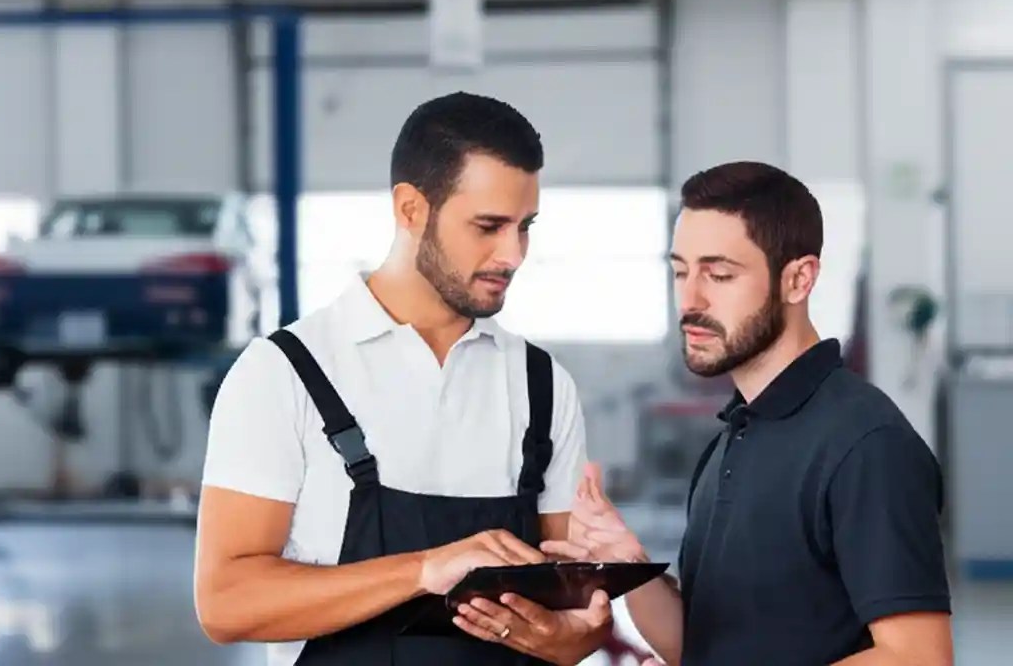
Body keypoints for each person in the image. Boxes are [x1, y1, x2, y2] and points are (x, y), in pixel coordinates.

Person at [193, 92, 613, 666]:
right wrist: (423, 570)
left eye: (525, 227)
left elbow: (572, 610)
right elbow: (225, 604)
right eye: (488, 226)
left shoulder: (541, 385)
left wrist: (574, 638)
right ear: (411, 209)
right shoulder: (283, 374)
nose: (513, 255)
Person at [542, 162, 954, 665]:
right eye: (679, 272)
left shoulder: (865, 444)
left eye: (719, 275)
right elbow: (696, 648)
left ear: (798, 279)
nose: (690, 300)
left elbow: (918, 658)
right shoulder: (731, 439)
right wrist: (626, 563)